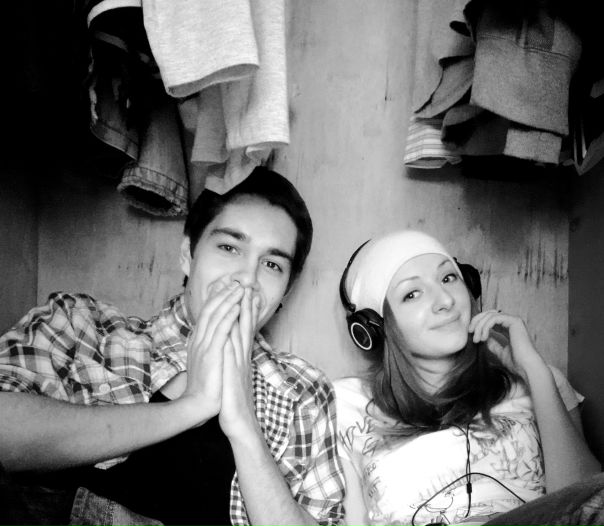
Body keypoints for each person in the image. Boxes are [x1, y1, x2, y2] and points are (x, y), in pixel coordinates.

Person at [0, 166, 345, 526]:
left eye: (272, 264)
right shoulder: (81, 324)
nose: (247, 278)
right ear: (187, 254)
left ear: (285, 290)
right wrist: (191, 406)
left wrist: (244, 423)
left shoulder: (302, 390)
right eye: (229, 247)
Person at [335, 229, 602, 526]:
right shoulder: (345, 404)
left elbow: (586, 504)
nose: (445, 300)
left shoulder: (539, 380)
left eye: (449, 278)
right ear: (372, 328)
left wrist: (534, 373)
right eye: (412, 294)